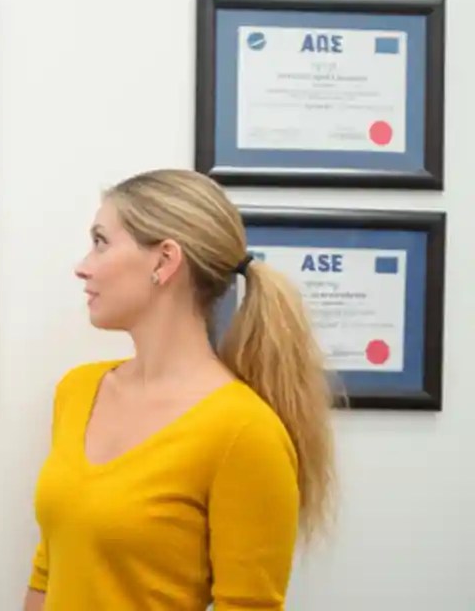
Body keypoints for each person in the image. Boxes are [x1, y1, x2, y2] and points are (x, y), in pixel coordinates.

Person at [23, 168, 338, 611]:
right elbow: (49, 568)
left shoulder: (243, 431)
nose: (82, 266)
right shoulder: (77, 391)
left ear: (164, 261)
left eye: (100, 242)